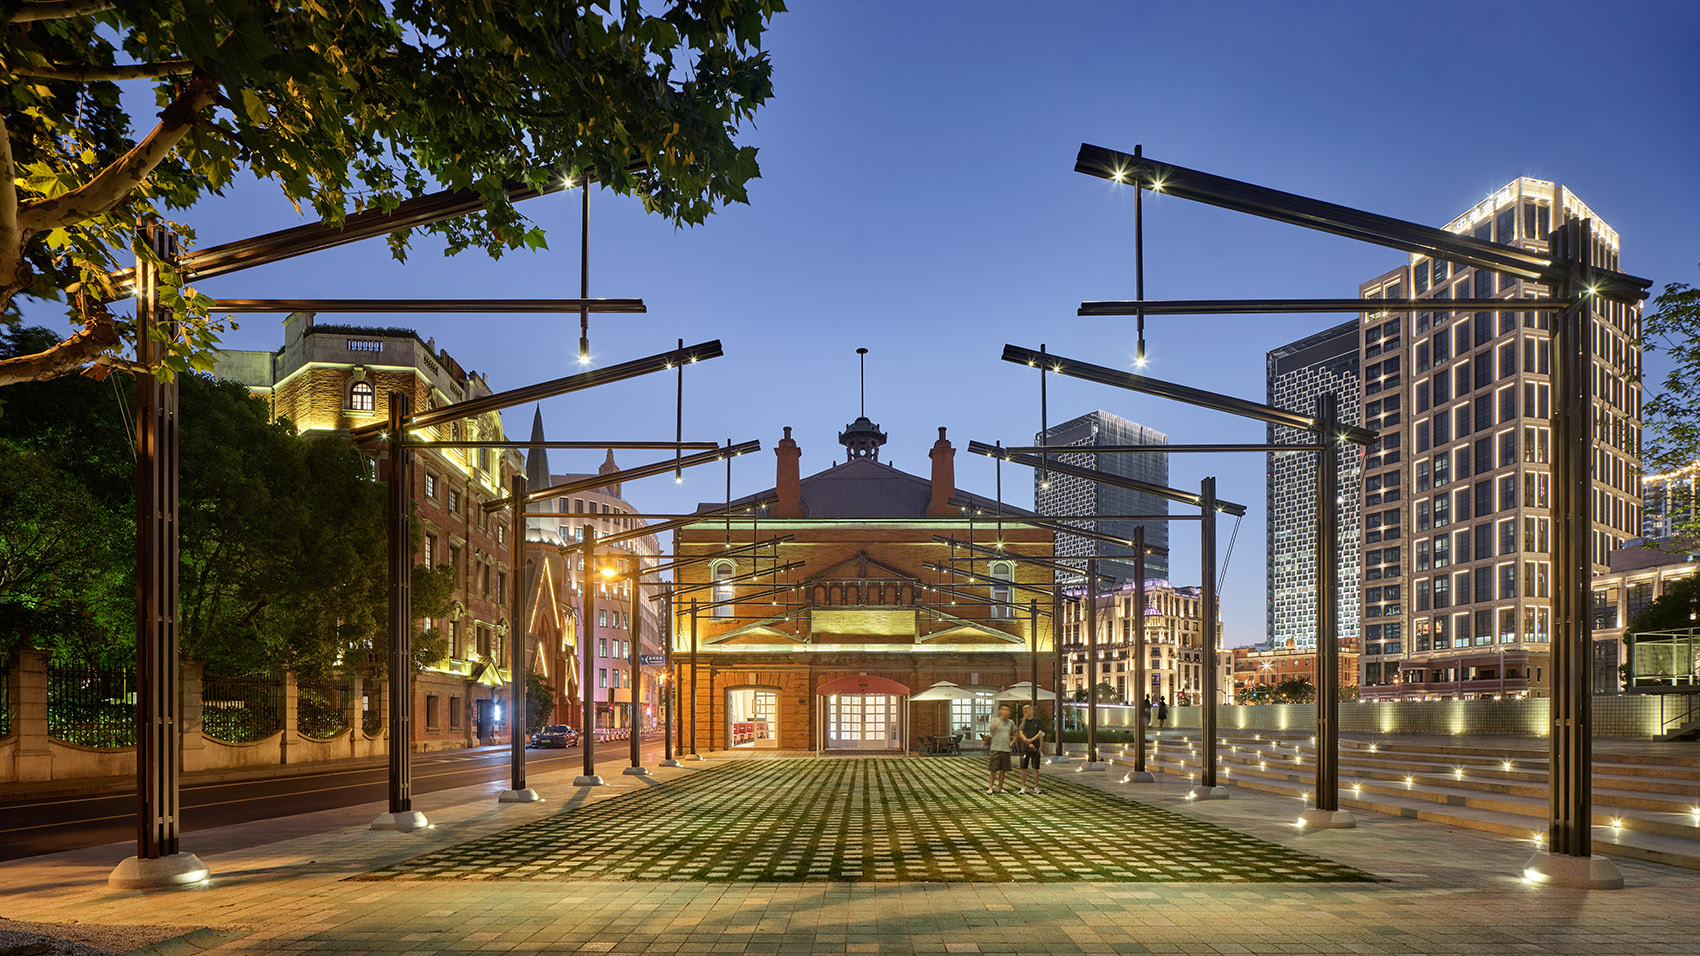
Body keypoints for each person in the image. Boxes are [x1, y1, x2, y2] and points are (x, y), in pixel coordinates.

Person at [985, 703, 1016, 794]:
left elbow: (1015, 733)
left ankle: (1000, 787)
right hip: (996, 748)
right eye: (1004, 710)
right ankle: (990, 787)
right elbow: (992, 729)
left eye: (1008, 710)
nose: (1006, 712)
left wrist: (1012, 742)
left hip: (1006, 749)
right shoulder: (994, 720)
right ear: (999, 711)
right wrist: (1000, 719)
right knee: (993, 769)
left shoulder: (1010, 722)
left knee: (1003, 770)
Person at [1015, 703, 1045, 795]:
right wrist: (1027, 742)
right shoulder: (1022, 721)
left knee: (1035, 767)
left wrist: (1037, 744)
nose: (1027, 710)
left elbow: (1040, 733)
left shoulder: (1038, 721)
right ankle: (1023, 787)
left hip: (1035, 747)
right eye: (1024, 709)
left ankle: (1036, 786)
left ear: (1031, 710)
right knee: (1023, 768)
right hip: (1025, 748)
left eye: (1028, 708)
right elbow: (1020, 733)